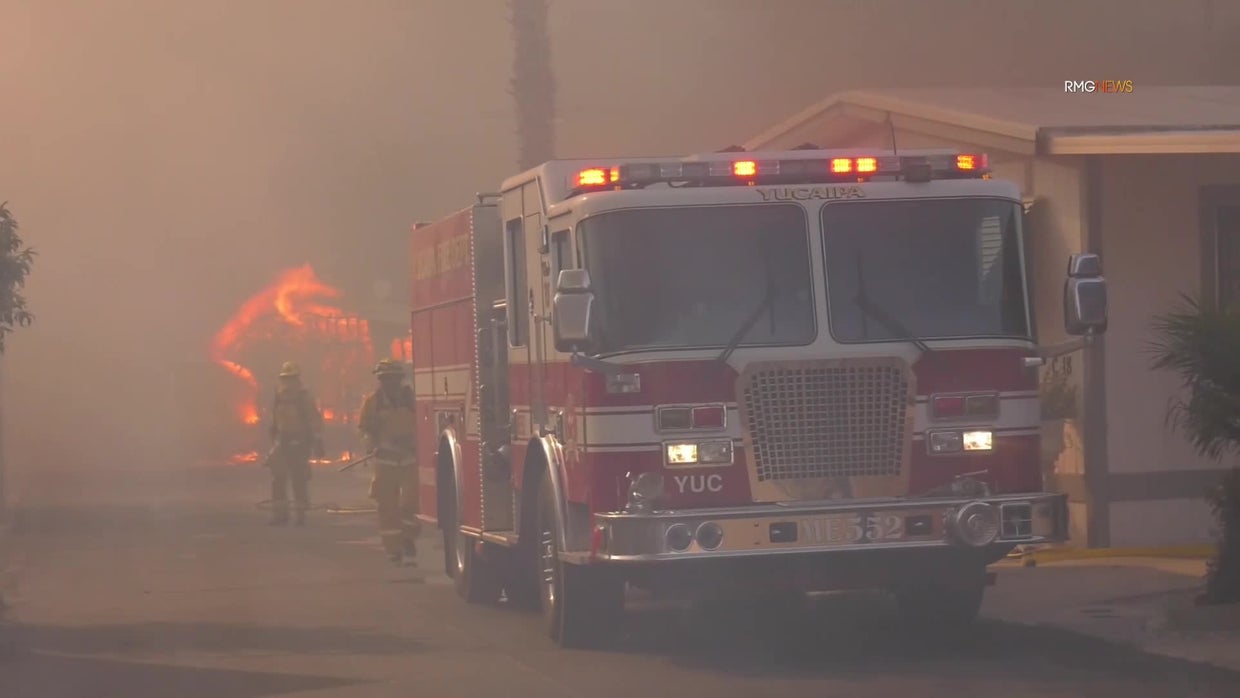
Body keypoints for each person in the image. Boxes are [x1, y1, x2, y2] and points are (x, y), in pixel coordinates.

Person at [358, 358, 420, 564]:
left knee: (411, 503)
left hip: (410, 459)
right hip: (386, 461)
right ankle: (394, 548)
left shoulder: (412, 400)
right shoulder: (373, 402)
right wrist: (371, 441)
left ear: (399, 379)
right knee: (387, 506)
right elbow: (364, 427)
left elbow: (424, 423)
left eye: (393, 379)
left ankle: (408, 537)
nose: (389, 383)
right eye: (385, 379)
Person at [266, 361, 325, 526]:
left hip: (300, 440)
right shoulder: (279, 396)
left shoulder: (303, 398)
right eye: (285, 378)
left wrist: (317, 440)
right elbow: (275, 418)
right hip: (282, 439)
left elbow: (314, 419)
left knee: (298, 477)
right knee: (278, 477)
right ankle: (280, 513)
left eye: (291, 378)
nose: (287, 382)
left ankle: (300, 513)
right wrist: (273, 432)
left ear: (297, 379)